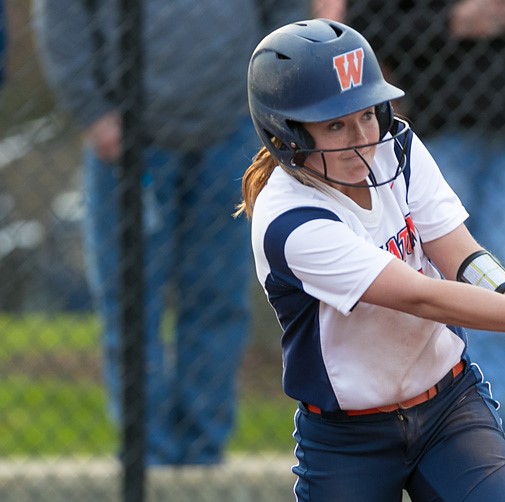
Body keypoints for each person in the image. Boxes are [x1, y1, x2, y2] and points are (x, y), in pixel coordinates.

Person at [239, 19, 505, 502]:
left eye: (367, 114)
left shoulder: (398, 149)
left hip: (449, 408)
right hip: (349, 439)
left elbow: (459, 252)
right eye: (335, 126)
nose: (362, 140)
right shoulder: (290, 222)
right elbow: (421, 295)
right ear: (287, 134)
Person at [32, 0, 311, 465]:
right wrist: (92, 111)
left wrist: (267, 103)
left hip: (233, 131)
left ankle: (202, 451)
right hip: (125, 139)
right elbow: (61, 16)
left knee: (219, 298)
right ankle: (149, 456)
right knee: (131, 304)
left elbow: (285, 13)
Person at [342, 0, 505, 438]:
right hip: (441, 121)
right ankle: (444, 412)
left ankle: (481, 417)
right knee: (432, 274)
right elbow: (369, 23)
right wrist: (449, 24)